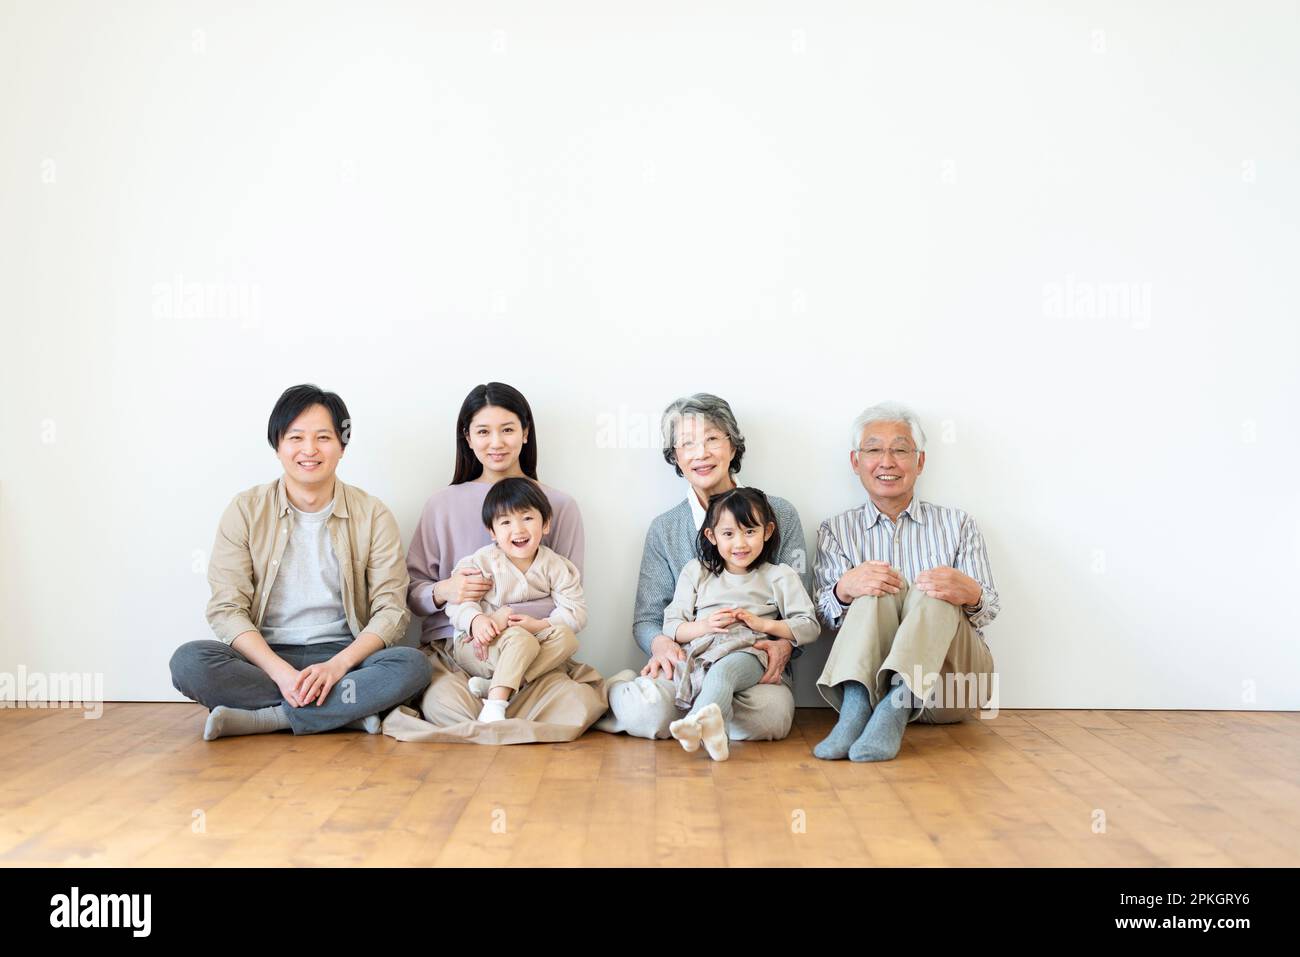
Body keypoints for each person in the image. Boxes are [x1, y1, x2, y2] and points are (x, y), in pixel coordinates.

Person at [169, 384, 431, 740]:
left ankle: (269, 718)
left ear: (342, 445)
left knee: (412, 666)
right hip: (264, 658)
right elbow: (227, 608)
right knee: (189, 663)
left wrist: (338, 667)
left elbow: (392, 610)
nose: (309, 450)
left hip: (344, 656)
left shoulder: (372, 513)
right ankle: (345, 713)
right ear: (277, 445)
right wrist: (281, 672)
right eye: (296, 437)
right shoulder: (245, 510)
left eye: (323, 437)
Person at [391, 382, 606, 744]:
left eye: (507, 429)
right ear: (467, 438)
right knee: (448, 706)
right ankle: (498, 711)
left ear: (525, 433)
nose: (496, 442)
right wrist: (449, 591)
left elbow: (568, 595)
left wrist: (506, 615)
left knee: (574, 703)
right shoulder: (441, 505)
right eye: (483, 431)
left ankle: (498, 699)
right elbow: (412, 595)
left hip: (534, 646)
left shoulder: (559, 505)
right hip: (460, 651)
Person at [596, 393, 815, 741]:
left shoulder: (779, 514)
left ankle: (698, 716)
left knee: (770, 719)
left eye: (712, 439)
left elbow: (802, 609)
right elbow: (648, 618)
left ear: (732, 446)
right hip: (689, 661)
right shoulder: (665, 529)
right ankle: (625, 693)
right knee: (646, 712)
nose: (701, 453)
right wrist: (662, 646)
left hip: (752, 662)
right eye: (687, 443)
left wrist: (784, 646)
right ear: (675, 457)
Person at [812, 401, 999, 762]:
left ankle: (899, 702)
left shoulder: (958, 524)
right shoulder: (835, 531)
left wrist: (971, 593)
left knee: (935, 589)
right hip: (870, 688)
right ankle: (854, 711)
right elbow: (819, 618)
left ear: (920, 461)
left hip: (951, 688)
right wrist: (843, 589)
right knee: (874, 585)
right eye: (874, 450)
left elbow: (988, 611)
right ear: (856, 462)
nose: (887, 461)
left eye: (900, 449)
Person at [663, 487, 819, 761]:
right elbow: (673, 627)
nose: (740, 544)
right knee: (667, 687)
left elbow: (809, 626)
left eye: (750, 532)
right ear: (711, 536)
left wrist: (764, 625)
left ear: (767, 532)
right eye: (728, 534)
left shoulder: (778, 576)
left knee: (723, 673)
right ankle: (715, 733)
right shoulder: (696, 572)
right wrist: (705, 626)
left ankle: (698, 723)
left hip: (750, 651)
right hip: (702, 650)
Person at [445, 477, 586, 723]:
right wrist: (476, 620)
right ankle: (496, 704)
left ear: (546, 524)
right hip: (480, 646)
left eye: (527, 518)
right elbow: (458, 602)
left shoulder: (556, 566)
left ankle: (498, 683)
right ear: (492, 532)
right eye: (506, 522)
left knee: (567, 638)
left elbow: (576, 612)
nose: (518, 529)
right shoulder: (482, 562)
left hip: (529, 642)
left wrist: (538, 625)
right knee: (521, 639)